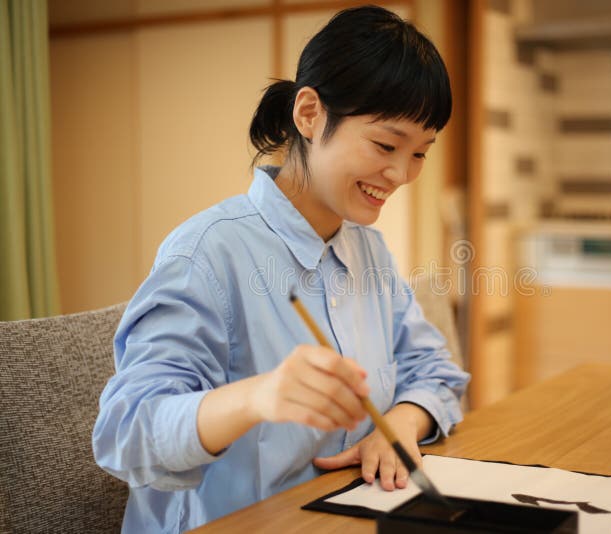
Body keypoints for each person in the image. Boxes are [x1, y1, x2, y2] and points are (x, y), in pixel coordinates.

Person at [92, 5, 470, 532]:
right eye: (386, 145)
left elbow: (434, 371)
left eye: (420, 154)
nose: (400, 174)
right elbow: (125, 435)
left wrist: (401, 425)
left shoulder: (369, 251)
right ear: (309, 114)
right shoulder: (207, 254)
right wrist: (254, 397)